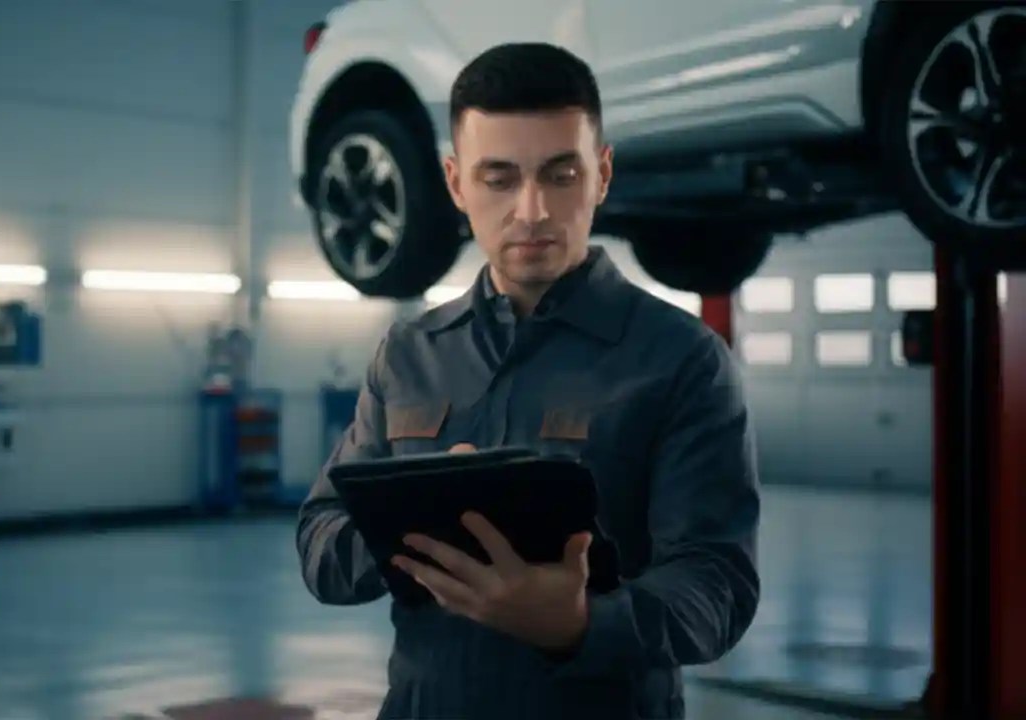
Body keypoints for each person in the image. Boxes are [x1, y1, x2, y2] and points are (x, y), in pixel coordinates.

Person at [295, 42, 760, 719]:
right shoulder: (408, 354)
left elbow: (717, 584)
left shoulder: (683, 360)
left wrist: (578, 624)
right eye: (499, 178)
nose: (534, 210)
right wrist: (408, 525)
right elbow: (319, 541)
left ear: (601, 174)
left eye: (561, 173)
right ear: (456, 183)